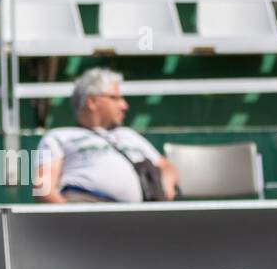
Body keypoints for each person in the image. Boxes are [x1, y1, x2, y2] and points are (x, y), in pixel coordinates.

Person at [33, 68, 180, 203]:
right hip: (86, 213)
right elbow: (43, 188)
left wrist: (167, 182)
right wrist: (72, 220)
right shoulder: (59, 136)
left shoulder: (128, 135)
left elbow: (165, 165)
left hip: (141, 218)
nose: (124, 106)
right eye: (115, 98)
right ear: (92, 101)